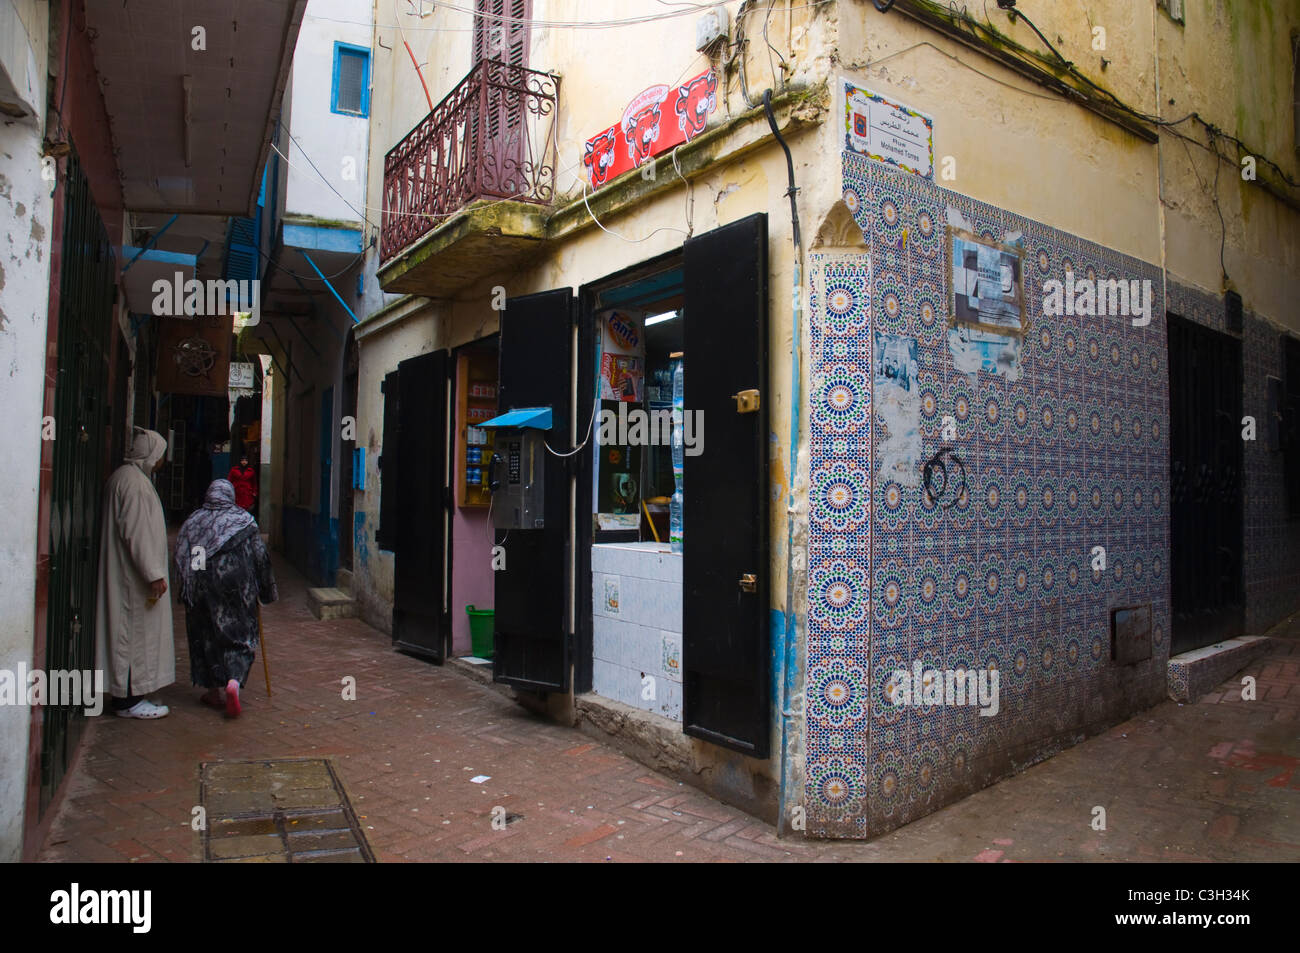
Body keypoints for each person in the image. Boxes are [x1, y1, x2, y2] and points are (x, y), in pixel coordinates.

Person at [174, 479, 277, 718]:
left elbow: (183, 556)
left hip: (203, 587)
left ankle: (214, 691)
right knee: (240, 632)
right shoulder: (244, 521)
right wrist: (266, 592)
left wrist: (189, 585)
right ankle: (233, 681)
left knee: (205, 635)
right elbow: (261, 558)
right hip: (238, 587)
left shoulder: (194, 522)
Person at [94, 428, 176, 719]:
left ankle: (129, 695)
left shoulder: (126, 478)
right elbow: (137, 533)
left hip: (127, 575)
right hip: (133, 580)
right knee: (133, 637)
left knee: (128, 636)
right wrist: (153, 573)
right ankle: (129, 700)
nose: (162, 461)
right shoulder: (135, 485)